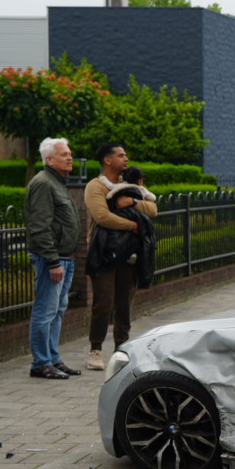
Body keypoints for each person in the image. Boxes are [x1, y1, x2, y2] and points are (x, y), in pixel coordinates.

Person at [84, 142, 159, 371]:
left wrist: (133, 202)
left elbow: (153, 209)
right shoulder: (95, 186)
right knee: (103, 302)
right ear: (108, 160)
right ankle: (96, 350)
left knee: (124, 302)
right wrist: (133, 226)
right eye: (121, 155)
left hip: (130, 252)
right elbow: (102, 216)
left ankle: (121, 349)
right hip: (104, 251)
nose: (126, 159)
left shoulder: (129, 182)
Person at [26, 137, 82, 380]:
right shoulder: (43, 183)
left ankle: (53, 359)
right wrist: (52, 261)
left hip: (64, 258)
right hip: (53, 259)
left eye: (69, 153)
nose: (70, 157)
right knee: (45, 311)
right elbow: (39, 226)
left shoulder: (57, 182)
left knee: (57, 311)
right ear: (49, 160)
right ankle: (41, 363)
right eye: (64, 154)